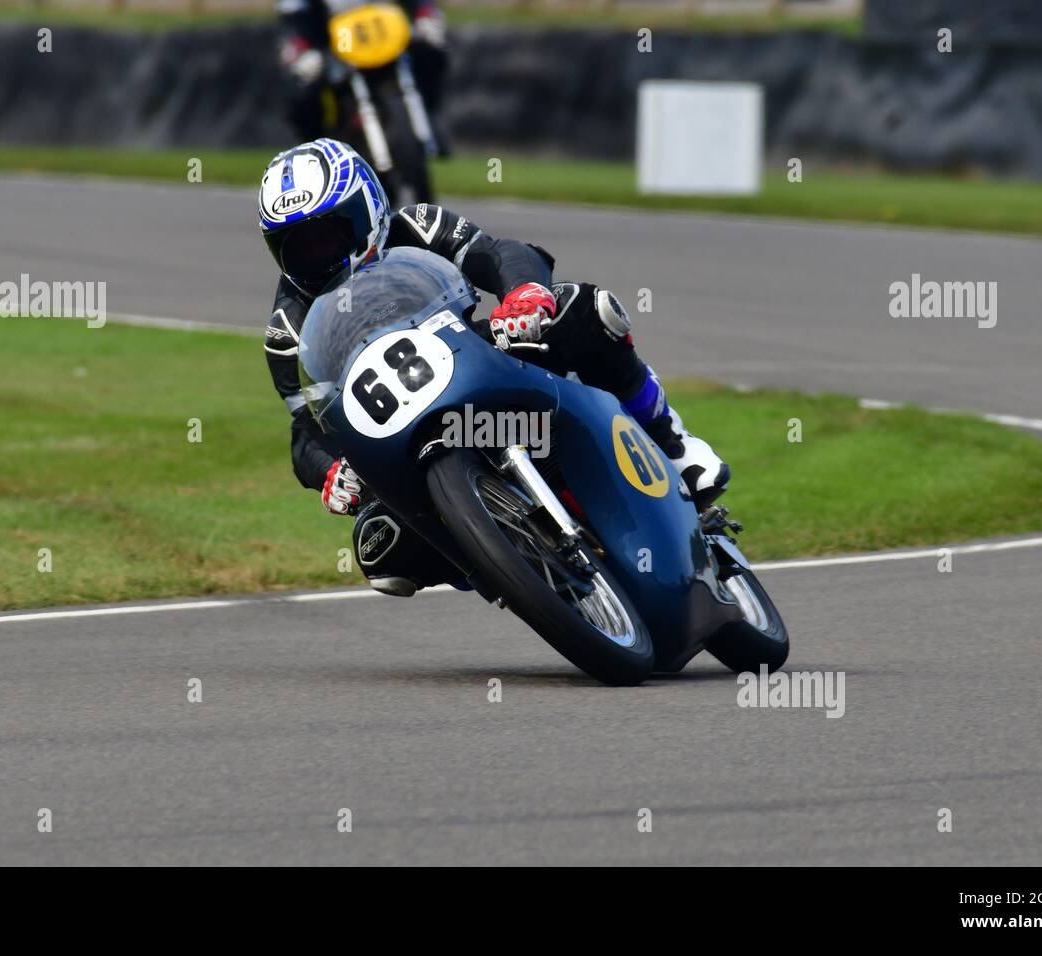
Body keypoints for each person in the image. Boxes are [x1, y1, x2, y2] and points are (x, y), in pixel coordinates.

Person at [260, 139, 729, 595]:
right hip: (395, 431)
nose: (315, 256)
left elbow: (499, 253)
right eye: (296, 247)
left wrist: (522, 293)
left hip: (473, 358)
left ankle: (672, 443)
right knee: (379, 548)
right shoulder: (287, 330)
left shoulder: (419, 225)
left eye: (328, 235)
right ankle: (498, 562)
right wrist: (329, 471)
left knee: (585, 309)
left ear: (367, 210)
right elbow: (305, 431)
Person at [277, 0, 450, 149]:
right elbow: (294, 18)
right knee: (302, 93)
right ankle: (315, 154)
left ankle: (427, 116)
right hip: (334, 47)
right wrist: (301, 47)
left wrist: (425, 13)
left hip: (386, 36)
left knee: (431, 54)